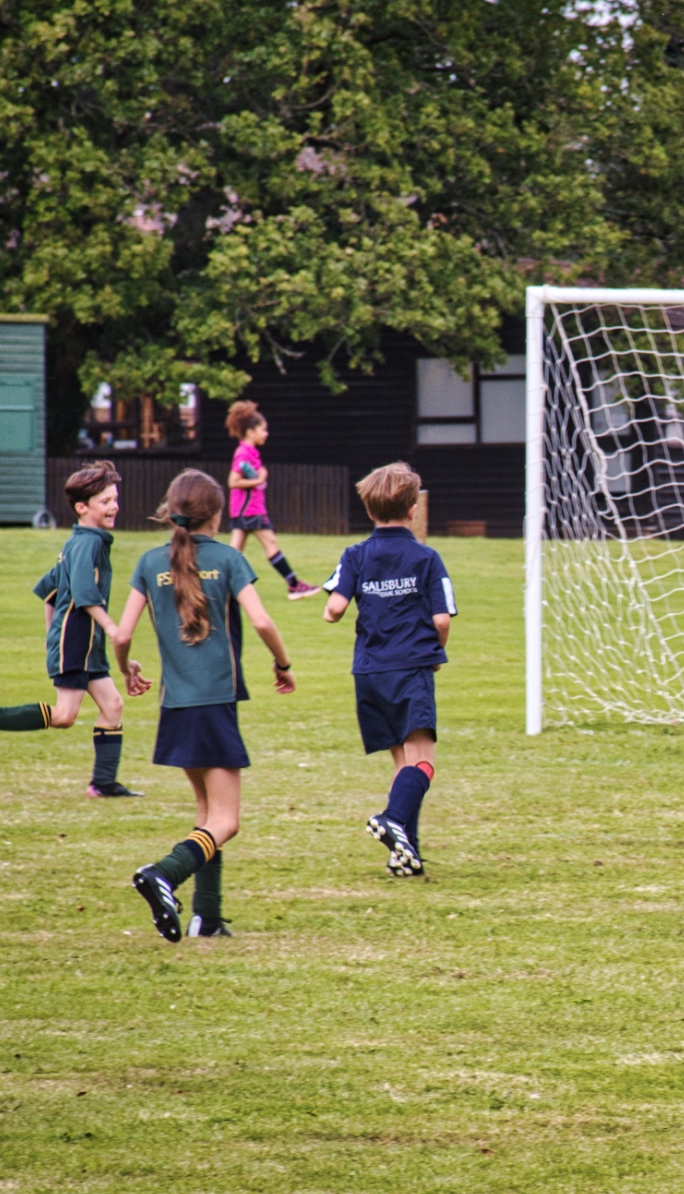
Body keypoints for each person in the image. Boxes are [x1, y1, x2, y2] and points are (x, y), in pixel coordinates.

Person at [113, 469, 296, 941]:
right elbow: (261, 620)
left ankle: (207, 917)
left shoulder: (149, 561)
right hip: (214, 704)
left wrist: (127, 666)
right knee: (227, 821)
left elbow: (123, 633)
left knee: (206, 812)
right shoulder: (230, 560)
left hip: (174, 706)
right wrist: (283, 663)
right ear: (217, 514)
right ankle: (164, 874)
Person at [0, 460, 142, 796]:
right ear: (82, 508)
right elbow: (85, 593)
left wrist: (50, 636)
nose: (114, 506)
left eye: (115, 499)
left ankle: (103, 784)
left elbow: (49, 593)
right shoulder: (87, 544)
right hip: (77, 642)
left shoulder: (81, 541)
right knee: (64, 715)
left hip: (85, 644)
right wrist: (111, 627)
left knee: (113, 705)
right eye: (106, 501)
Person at [322, 462, 455, 877]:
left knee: (402, 766)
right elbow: (442, 620)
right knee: (424, 763)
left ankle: (404, 855)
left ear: (369, 510)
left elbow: (334, 610)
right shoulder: (427, 558)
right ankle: (391, 821)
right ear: (413, 509)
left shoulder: (354, 555)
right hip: (410, 667)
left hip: (370, 671)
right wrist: (435, 652)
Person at [225, 399, 320, 600]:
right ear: (251, 432)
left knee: (235, 550)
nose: (266, 434)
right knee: (269, 542)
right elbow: (233, 481)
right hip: (249, 509)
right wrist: (259, 479)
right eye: (262, 430)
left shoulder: (249, 451)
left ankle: (217, 585)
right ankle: (294, 585)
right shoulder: (244, 452)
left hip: (248, 508)